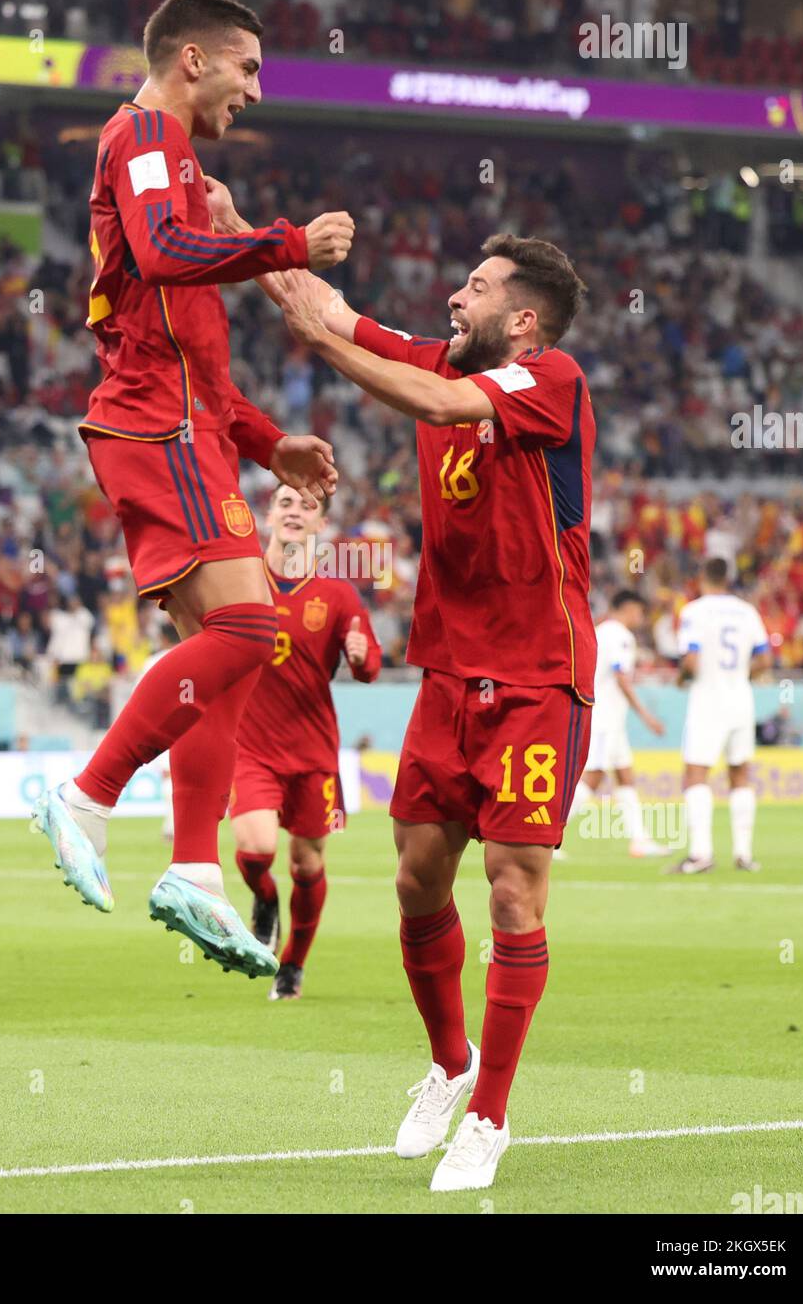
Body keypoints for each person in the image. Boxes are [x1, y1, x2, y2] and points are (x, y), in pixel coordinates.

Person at [31, 0, 354, 981]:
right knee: (256, 631)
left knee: (239, 651)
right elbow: (169, 258)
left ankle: (191, 871)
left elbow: (204, 360)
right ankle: (86, 791)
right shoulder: (144, 138)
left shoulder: (175, 158)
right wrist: (287, 243)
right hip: (154, 424)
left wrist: (268, 445)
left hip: (189, 427)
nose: (255, 90)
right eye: (248, 67)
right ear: (194, 60)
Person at [260, 232, 594, 1192]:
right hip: (449, 674)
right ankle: (450, 1065)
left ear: (521, 321)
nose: (457, 296)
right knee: (414, 883)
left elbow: (437, 399)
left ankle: (489, 1117)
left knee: (511, 892)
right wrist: (244, 237)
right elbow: (329, 308)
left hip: (538, 678)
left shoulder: (549, 380)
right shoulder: (436, 354)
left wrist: (324, 350)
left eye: (478, 288)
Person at [230, 483, 381, 1001]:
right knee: (255, 848)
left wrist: (361, 657)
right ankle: (264, 900)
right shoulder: (242, 579)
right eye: (286, 503)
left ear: (320, 526)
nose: (295, 512)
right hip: (252, 747)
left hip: (314, 753)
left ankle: (292, 965)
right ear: (268, 515)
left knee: (307, 864)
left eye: (308, 507)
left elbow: (371, 667)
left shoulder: (337, 595)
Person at [669, 557, 771, 875]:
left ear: (702, 577)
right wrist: (741, 673)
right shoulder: (747, 611)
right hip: (741, 699)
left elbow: (691, 662)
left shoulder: (694, 610)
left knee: (695, 774)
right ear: (728, 579)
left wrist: (683, 679)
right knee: (740, 774)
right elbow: (765, 659)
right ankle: (743, 854)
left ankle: (701, 854)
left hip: (708, 701)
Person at [571, 588, 668, 857]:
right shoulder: (621, 636)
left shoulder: (601, 630)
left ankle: (639, 840)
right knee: (594, 776)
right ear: (628, 609)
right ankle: (551, 834)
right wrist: (646, 716)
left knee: (625, 776)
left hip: (608, 717)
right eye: (639, 612)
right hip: (605, 718)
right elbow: (621, 677)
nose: (641, 618)